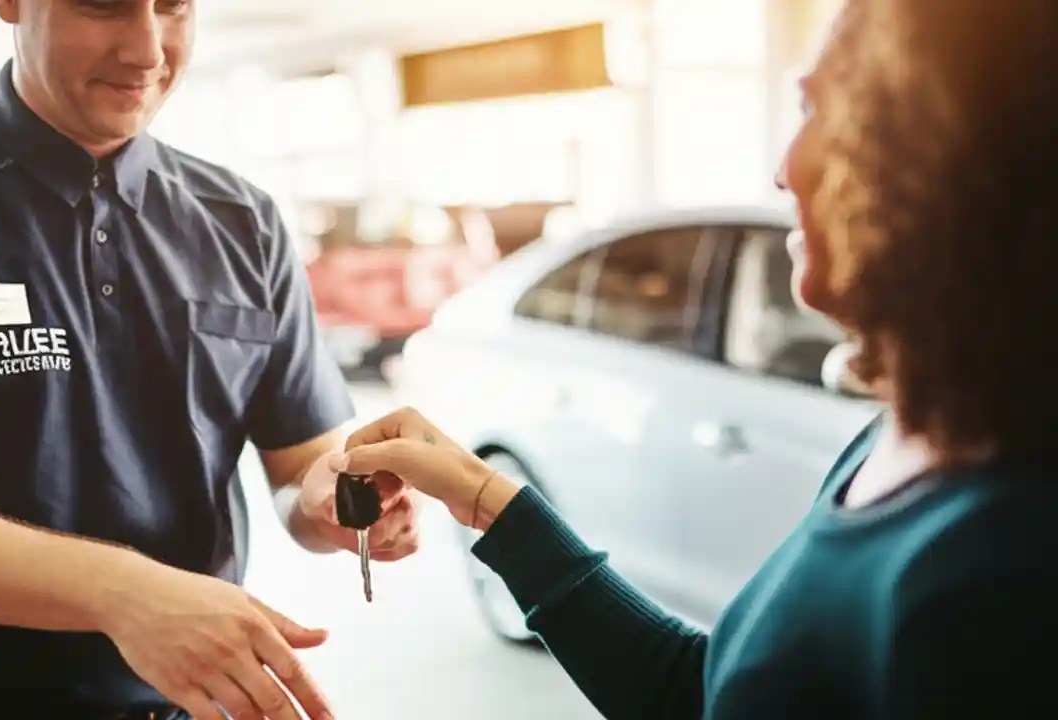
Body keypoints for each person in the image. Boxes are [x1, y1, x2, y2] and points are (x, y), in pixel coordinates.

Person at [313, 1, 1058, 718]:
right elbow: (707, 696)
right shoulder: (894, 441)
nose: (783, 169)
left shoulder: (1006, 565)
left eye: (822, 111)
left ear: (943, 159)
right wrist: (486, 501)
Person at [0, 1, 419, 718]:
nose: (147, 51)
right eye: (105, 4)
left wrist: (334, 498)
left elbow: (300, 466)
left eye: (173, 7)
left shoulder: (245, 224)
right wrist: (125, 594)